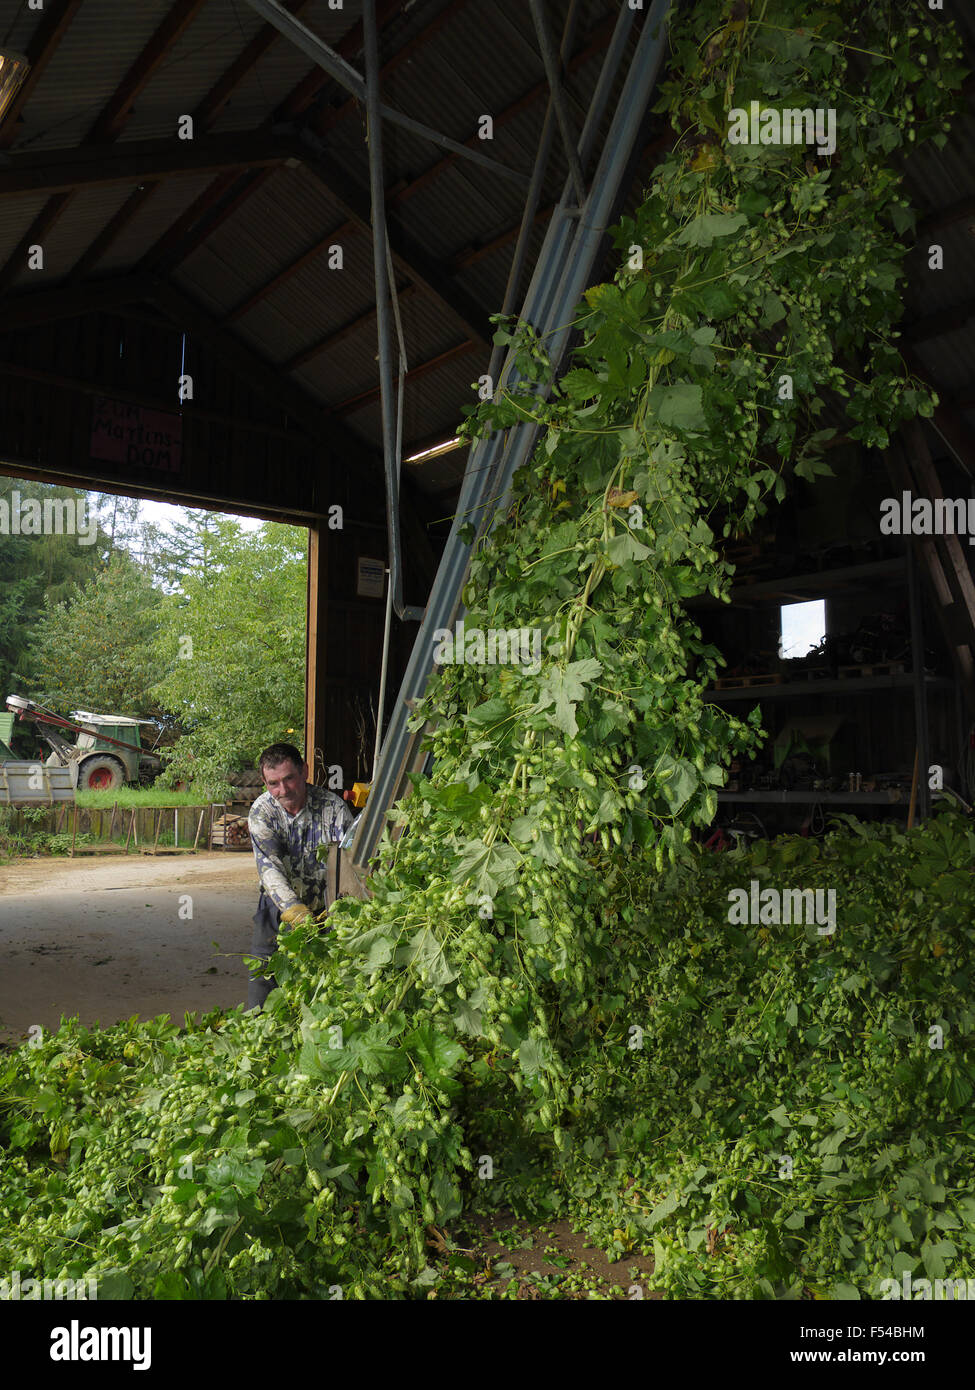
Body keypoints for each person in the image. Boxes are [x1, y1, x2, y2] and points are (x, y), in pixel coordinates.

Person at [245, 741, 353, 1010]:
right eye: (273, 783)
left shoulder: (334, 809)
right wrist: (294, 910)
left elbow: (350, 867)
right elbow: (269, 868)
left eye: (289, 779)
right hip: (278, 908)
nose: (282, 790)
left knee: (327, 981)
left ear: (304, 771)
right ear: (264, 782)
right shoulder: (262, 812)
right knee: (264, 978)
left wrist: (341, 912)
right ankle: (259, 1030)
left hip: (328, 908)